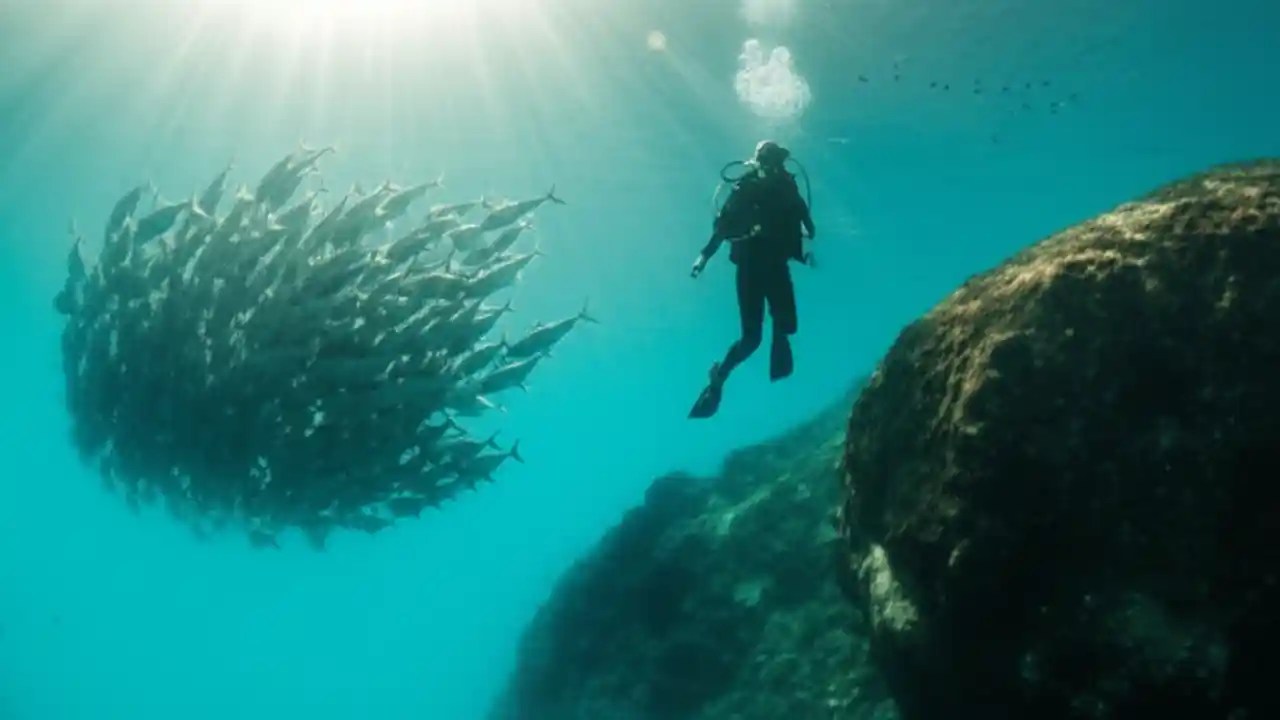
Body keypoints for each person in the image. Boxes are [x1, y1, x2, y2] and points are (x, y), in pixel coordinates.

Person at [688, 140, 815, 419]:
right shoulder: (746, 188)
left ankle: (779, 336)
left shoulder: (787, 186)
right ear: (758, 160)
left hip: (776, 265)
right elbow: (722, 228)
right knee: (752, 338)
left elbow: (806, 225)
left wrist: (804, 252)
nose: (772, 165)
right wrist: (704, 257)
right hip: (750, 267)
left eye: (776, 160)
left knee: (788, 325)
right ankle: (719, 378)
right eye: (768, 159)